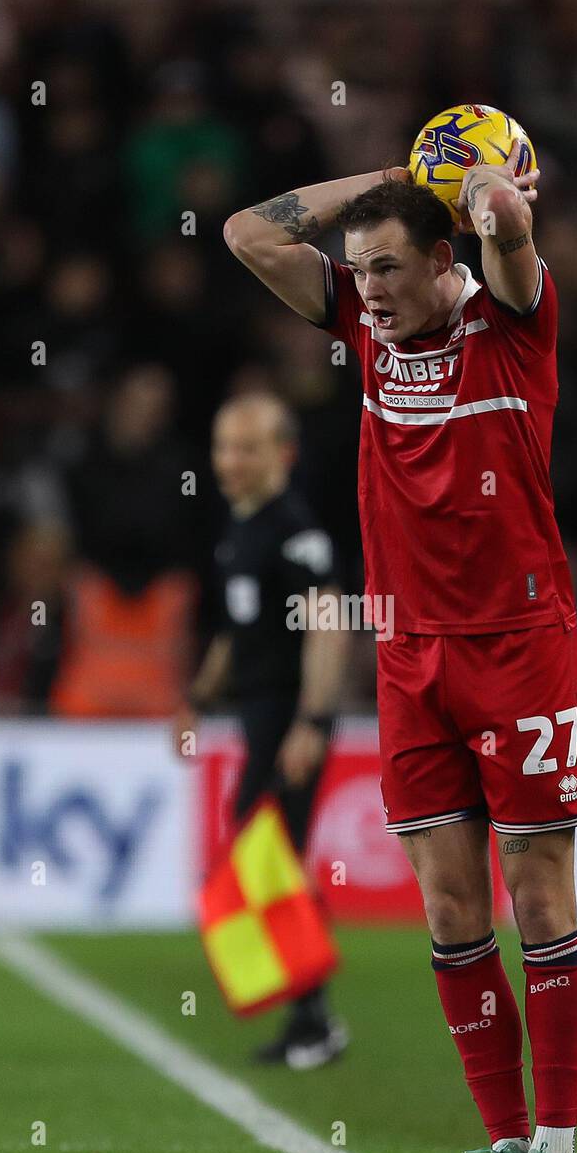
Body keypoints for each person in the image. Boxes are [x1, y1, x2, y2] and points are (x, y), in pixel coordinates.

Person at [222, 143, 577, 1153]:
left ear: (445, 261)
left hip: (520, 648)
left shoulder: (512, 324)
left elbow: (513, 241)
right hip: (408, 652)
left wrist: (484, 193)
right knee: (447, 907)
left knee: (536, 893)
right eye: (360, 271)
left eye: (389, 268)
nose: (371, 292)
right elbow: (247, 232)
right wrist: (385, 179)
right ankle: (503, 1142)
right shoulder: (360, 324)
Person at [185, 391, 349, 1069]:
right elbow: (234, 631)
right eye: (224, 446)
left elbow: (329, 622)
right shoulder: (240, 531)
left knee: (272, 862)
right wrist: (196, 699)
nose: (231, 460)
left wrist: (312, 721)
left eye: (247, 447)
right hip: (259, 718)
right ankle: (306, 1017)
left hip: (287, 718)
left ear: (284, 453)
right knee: (268, 861)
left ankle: (314, 1021)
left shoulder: (294, 532)